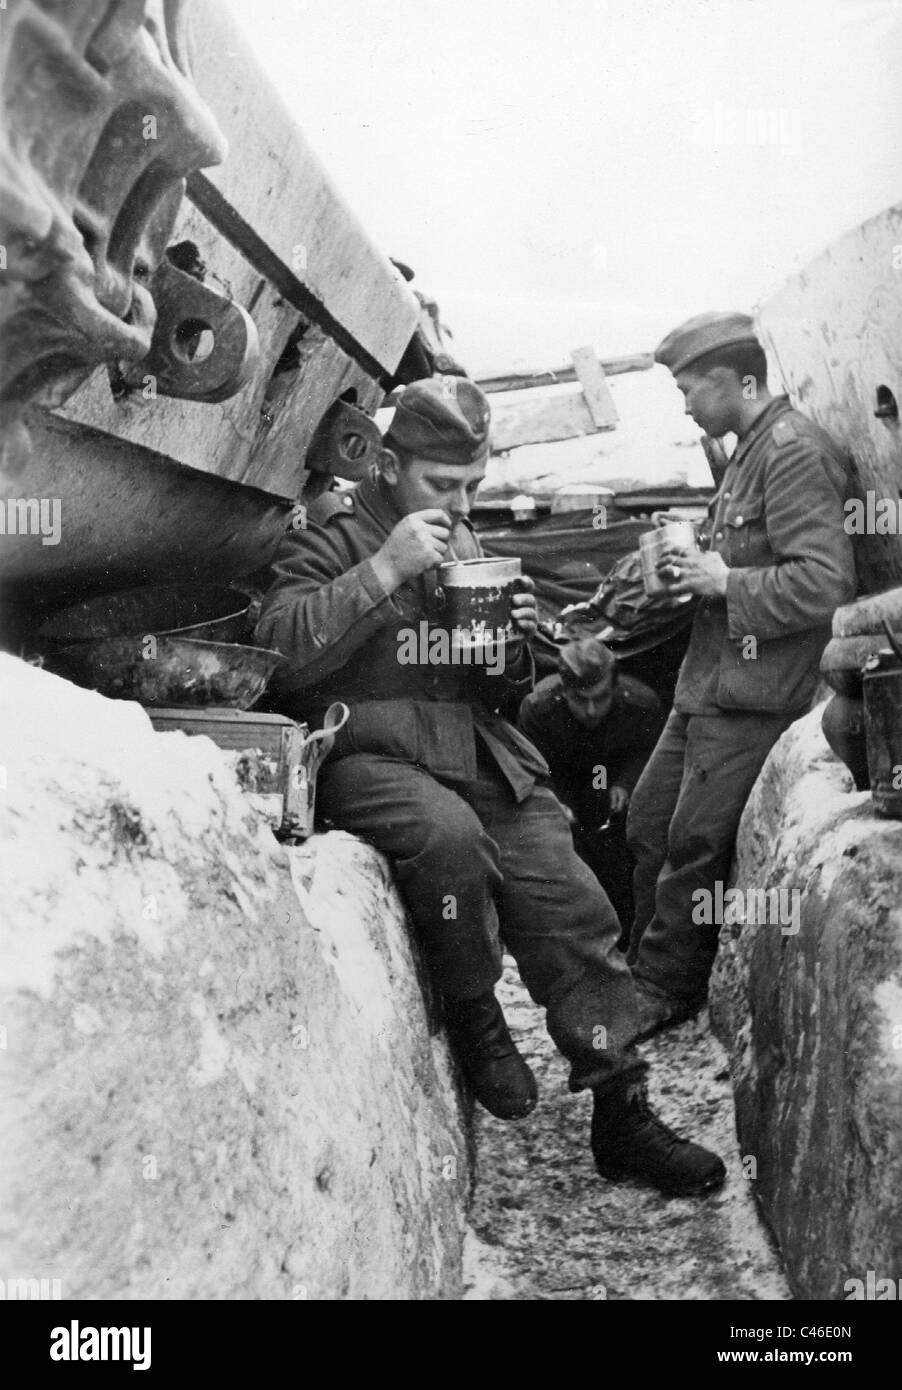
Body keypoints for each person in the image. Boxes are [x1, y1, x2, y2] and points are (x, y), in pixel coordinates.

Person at [256, 376, 726, 1198]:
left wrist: (507, 643)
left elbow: (501, 690)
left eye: (473, 484)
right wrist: (382, 568)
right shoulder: (331, 529)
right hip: (370, 750)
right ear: (389, 464)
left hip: (476, 748)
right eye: (444, 485)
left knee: (570, 894)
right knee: (447, 842)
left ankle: (623, 1106)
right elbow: (278, 653)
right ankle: (476, 1016)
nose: (464, 503)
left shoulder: (467, 540)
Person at [626, 312, 857, 1038]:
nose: (686, 402)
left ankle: (667, 988)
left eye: (691, 387)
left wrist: (722, 581)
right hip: (708, 684)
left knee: (694, 843)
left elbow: (825, 587)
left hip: (756, 694)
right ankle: (641, 971)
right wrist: (687, 574)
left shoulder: (793, 454)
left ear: (737, 380)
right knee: (646, 824)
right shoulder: (746, 451)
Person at [518, 636, 666, 936]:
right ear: (563, 690)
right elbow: (531, 766)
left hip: (613, 792)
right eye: (579, 699)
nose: (590, 711)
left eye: (599, 699)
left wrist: (626, 783)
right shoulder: (537, 708)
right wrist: (553, 801)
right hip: (564, 788)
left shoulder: (641, 704)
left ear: (614, 687)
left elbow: (651, 753)